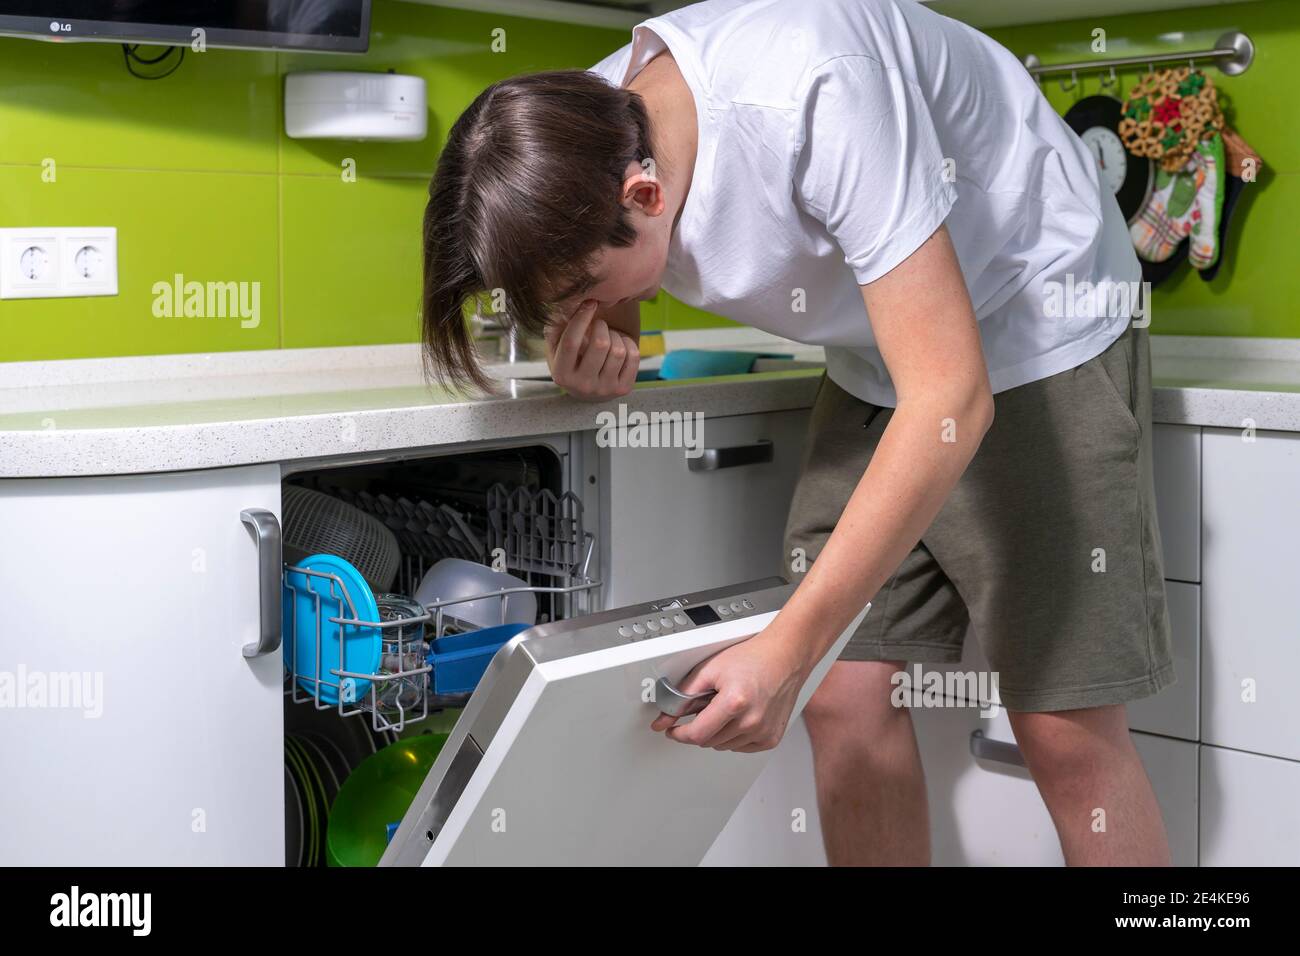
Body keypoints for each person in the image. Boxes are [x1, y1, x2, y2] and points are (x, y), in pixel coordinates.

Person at [419, 0, 1173, 865]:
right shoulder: (575, 132)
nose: (572, 313)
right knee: (842, 698)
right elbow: (618, 263)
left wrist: (784, 650)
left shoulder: (816, 91)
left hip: (1037, 314)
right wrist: (604, 329)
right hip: (884, 352)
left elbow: (949, 397)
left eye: (577, 290)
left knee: (1063, 726)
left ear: (645, 194)